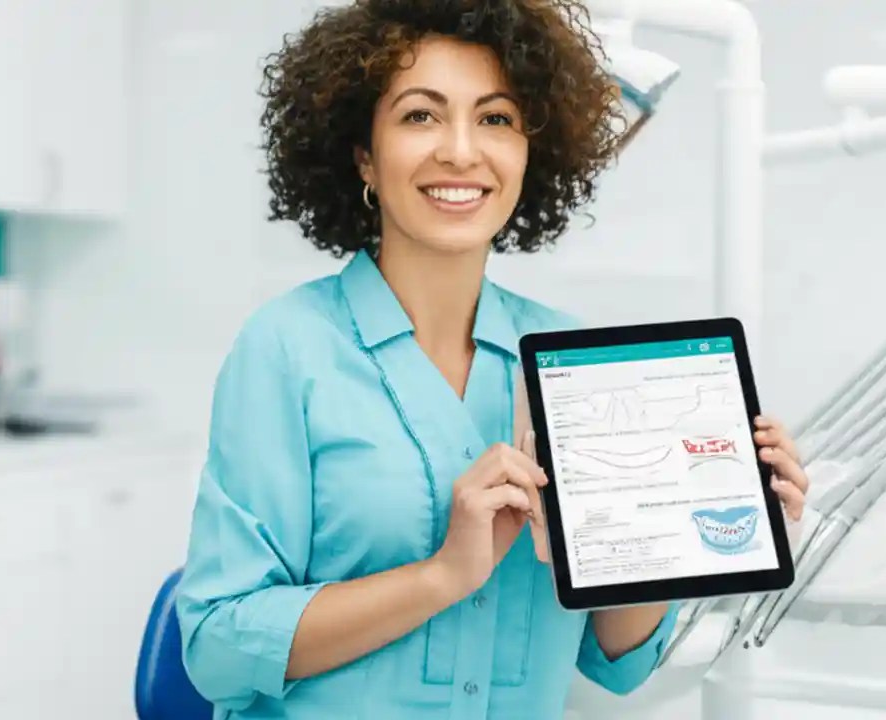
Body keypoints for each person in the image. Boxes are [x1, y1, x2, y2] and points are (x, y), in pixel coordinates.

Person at [174, 1, 811, 718]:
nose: (461, 150)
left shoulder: (570, 368)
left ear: (531, 152)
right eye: (420, 116)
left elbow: (619, 667)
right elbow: (215, 647)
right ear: (363, 154)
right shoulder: (288, 348)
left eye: (496, 119)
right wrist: (444, 575)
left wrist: (673, 526)